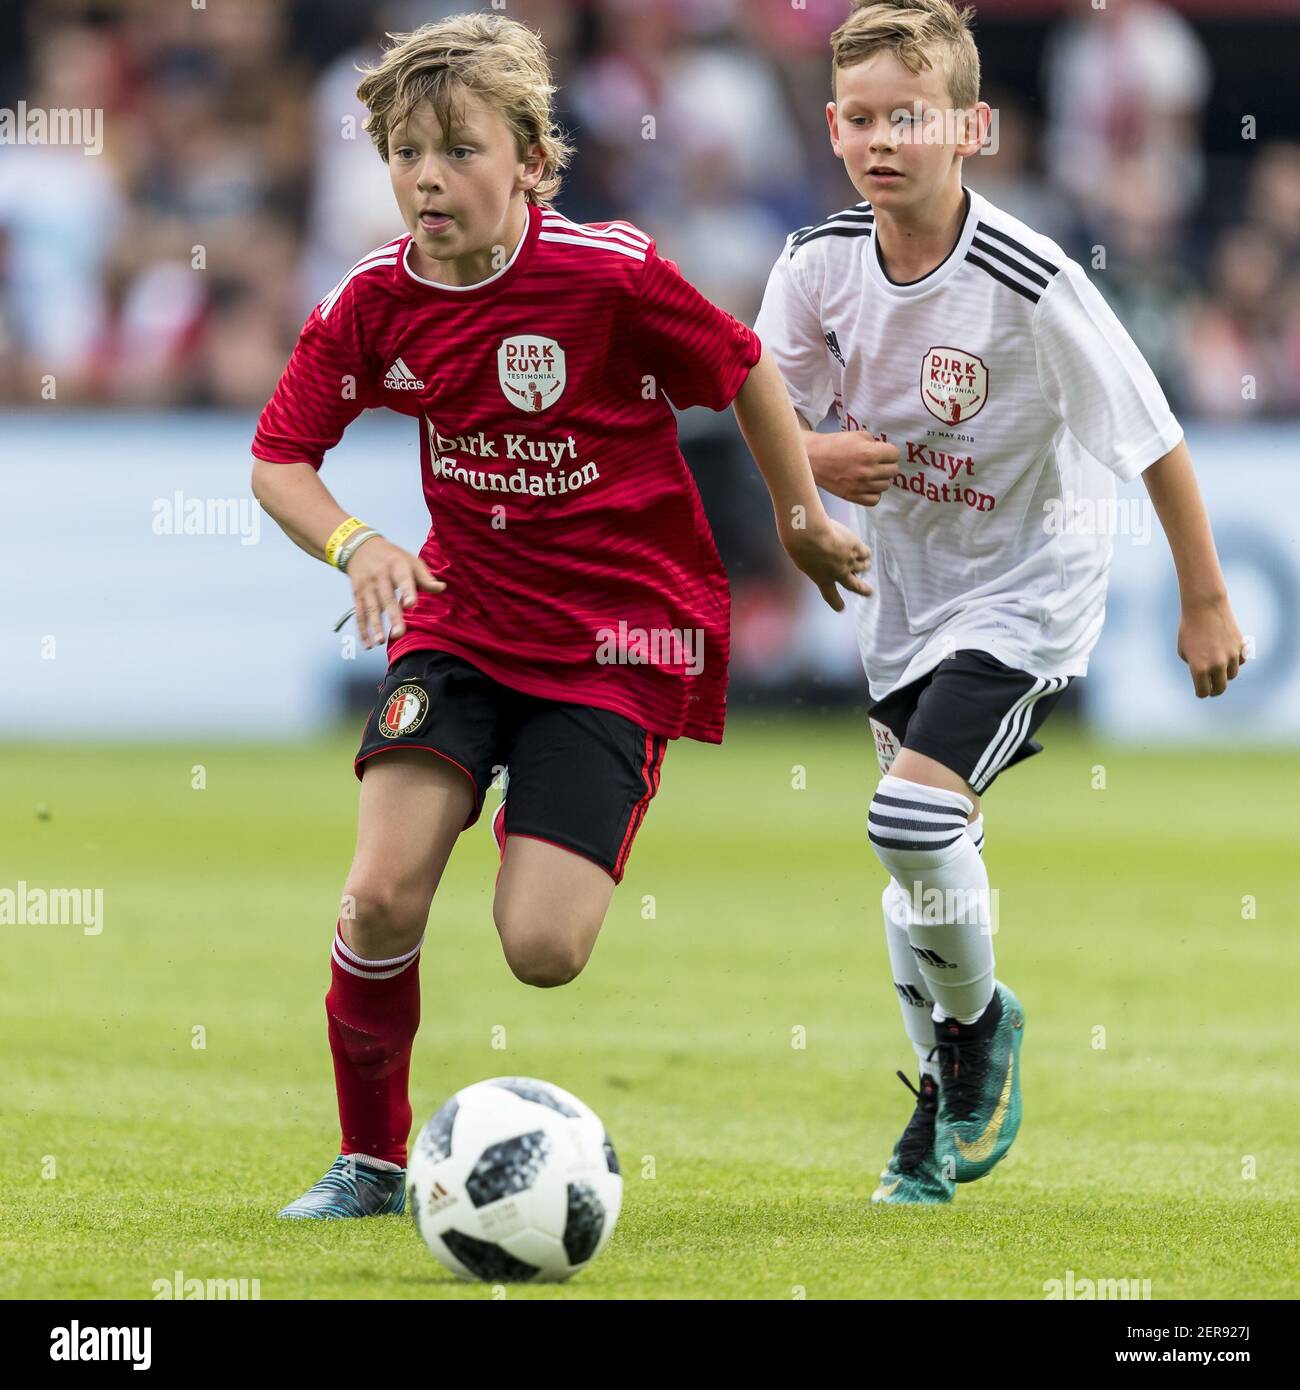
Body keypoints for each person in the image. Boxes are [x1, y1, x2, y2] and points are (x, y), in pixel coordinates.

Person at [250, 12, 870, 1219]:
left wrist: (798, 510)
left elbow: (741, 368)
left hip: (617, 643)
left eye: (458, 150)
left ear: (531, 158)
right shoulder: (373, 303)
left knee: (542, 949)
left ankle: (536, 793)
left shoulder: (610, 273)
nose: (426, 178)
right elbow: (279, 459)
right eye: (405, 154)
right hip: (461, 620)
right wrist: (359, 543)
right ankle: (370, 1161)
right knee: (378, 894)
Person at [754, 0, 1246, 1205]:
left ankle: (977, 1038)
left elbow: (1156, 439)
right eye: (861, 117)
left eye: (908, 116)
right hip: (901, 589)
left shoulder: (1031, 279)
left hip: (1029, 588)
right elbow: (762, 405)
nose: (883, 138)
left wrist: (1204, 599)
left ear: (969, 127)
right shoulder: (818, 261)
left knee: (908, 823)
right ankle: (936, 1119)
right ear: (831, 127)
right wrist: (811, 480)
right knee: (924, 861)